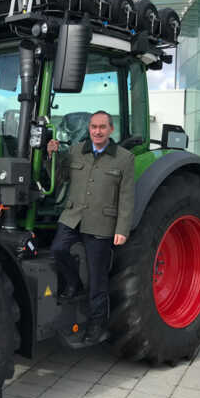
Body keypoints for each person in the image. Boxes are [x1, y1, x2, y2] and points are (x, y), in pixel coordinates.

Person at [46, 110, 135, 344]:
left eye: (102, 127)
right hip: (73, 216)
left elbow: (126, 198)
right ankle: (74, 283)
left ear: (110, 130)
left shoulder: (124, 158)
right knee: (57, 250)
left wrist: (122, 230)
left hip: (101, 223)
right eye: (94, 127)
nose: (97, 131)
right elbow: (58, 177)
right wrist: (51, 156)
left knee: (98, 279)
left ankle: (97, 325)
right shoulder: (76, 151)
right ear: (89, 129)